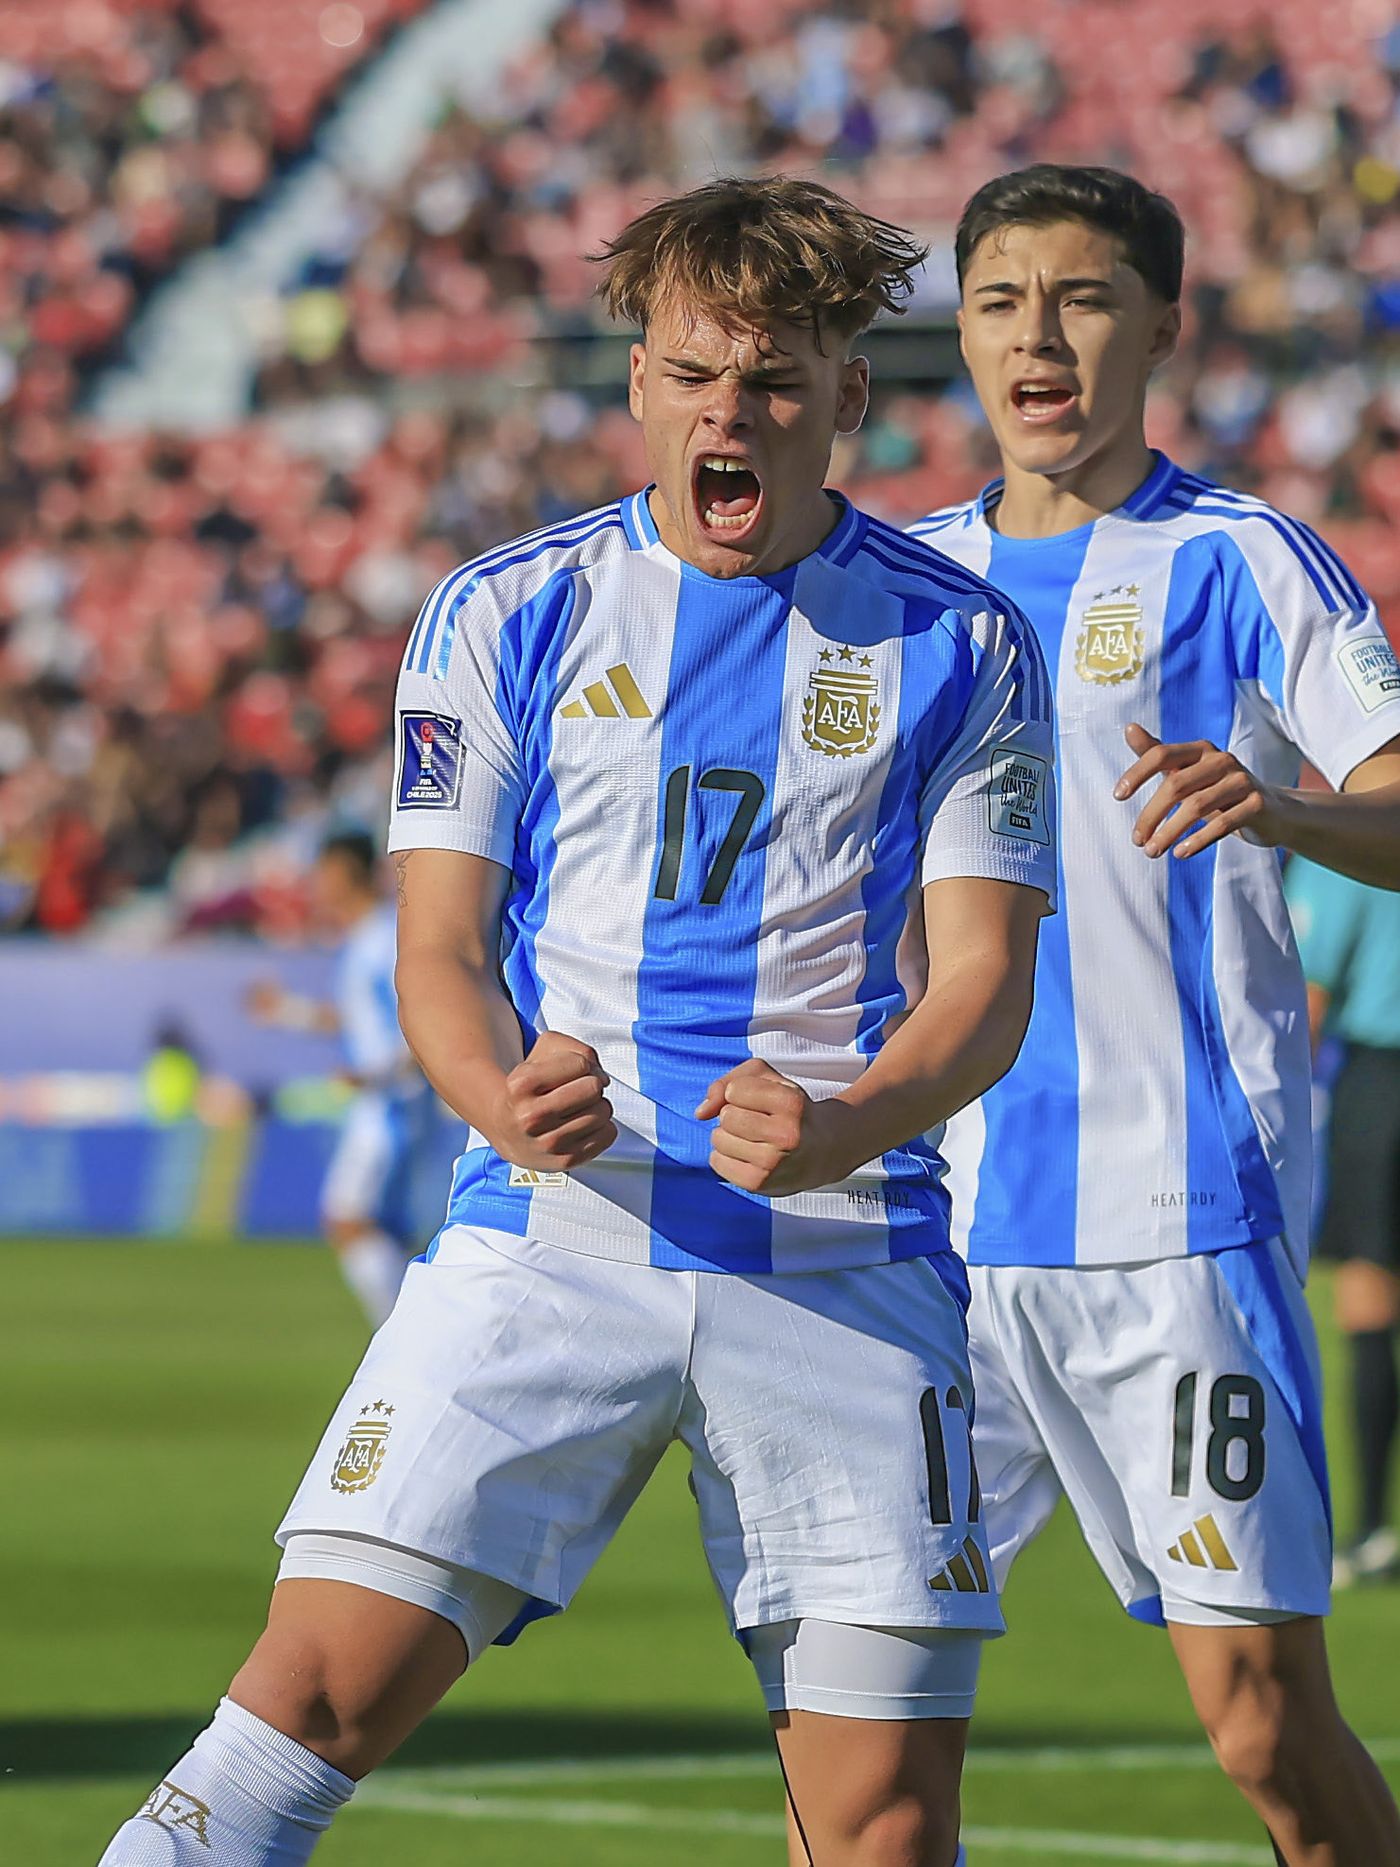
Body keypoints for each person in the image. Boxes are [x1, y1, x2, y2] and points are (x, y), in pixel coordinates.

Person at [97, 175, 1057, 1867]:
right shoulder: (504, 612)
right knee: (303, 1698)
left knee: (885, 1831)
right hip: (555, 1234)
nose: (728, 413)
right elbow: (441, 949)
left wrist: (846, 1121)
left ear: (848, 392)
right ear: (636, 386)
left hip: (842, 1255)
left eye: (772, 380)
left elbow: (982, 984)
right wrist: (488, 1086)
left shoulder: (963, 638)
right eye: (692, 375)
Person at [910, 163, 1400, 1866]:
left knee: (1264, 1726)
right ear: (961, 338)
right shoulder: (903, 585)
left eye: (1084, 295)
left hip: (1177, 1214)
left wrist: (1280, 809)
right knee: (868, 1720)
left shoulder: (1243, 559)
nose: (1037, 334)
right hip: (936, 1238)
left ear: (1163, 327)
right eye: (999, 300)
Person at [247, 831, 438, 1327]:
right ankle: (417, 1330)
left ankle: (401, 1338)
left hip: (391, 1105)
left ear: (346, 873)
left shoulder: (381, 940)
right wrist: (287, 1011)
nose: (316, 885)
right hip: (384, 1101)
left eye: (323, 872)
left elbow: (426, 1017)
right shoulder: (363, 940)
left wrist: (379, 1076)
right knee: (386, 1229)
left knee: (347, 1219)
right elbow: (358, 1018)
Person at [1287, 855, 1400, 1587]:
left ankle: (1369, 1527)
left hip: (1383, 1085)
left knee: (1368, 1292)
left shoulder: (1354, 833)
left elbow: (1308, 995)